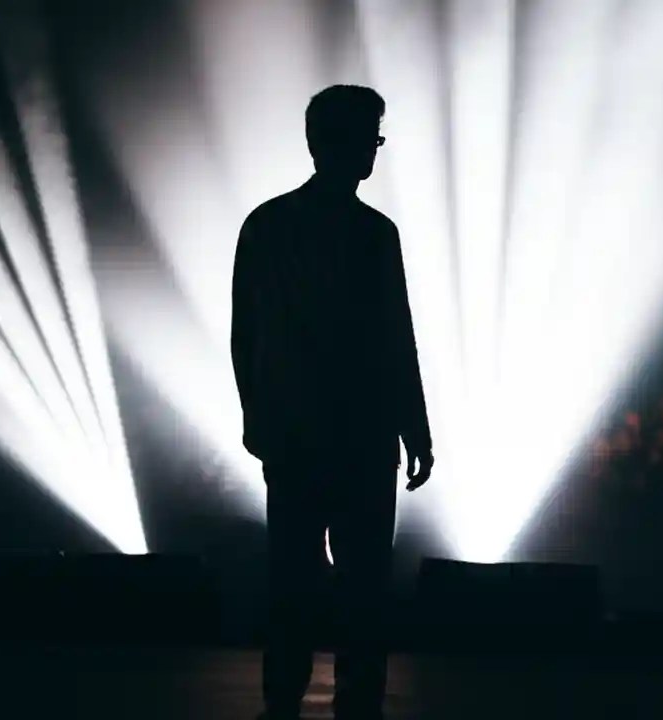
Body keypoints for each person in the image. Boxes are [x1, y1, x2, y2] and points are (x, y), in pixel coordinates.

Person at [231, 85, 435, 720]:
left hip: (292, 434)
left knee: (291, 579)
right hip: (364, 438)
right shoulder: (375, 234)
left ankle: (282, 700)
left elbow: (245, 336)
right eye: (373, 137)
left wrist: (257, 415)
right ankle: (357, 703)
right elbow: (396, 339)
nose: (375, 148)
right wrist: (415, 429)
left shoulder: (266, 225)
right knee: (365, 585)